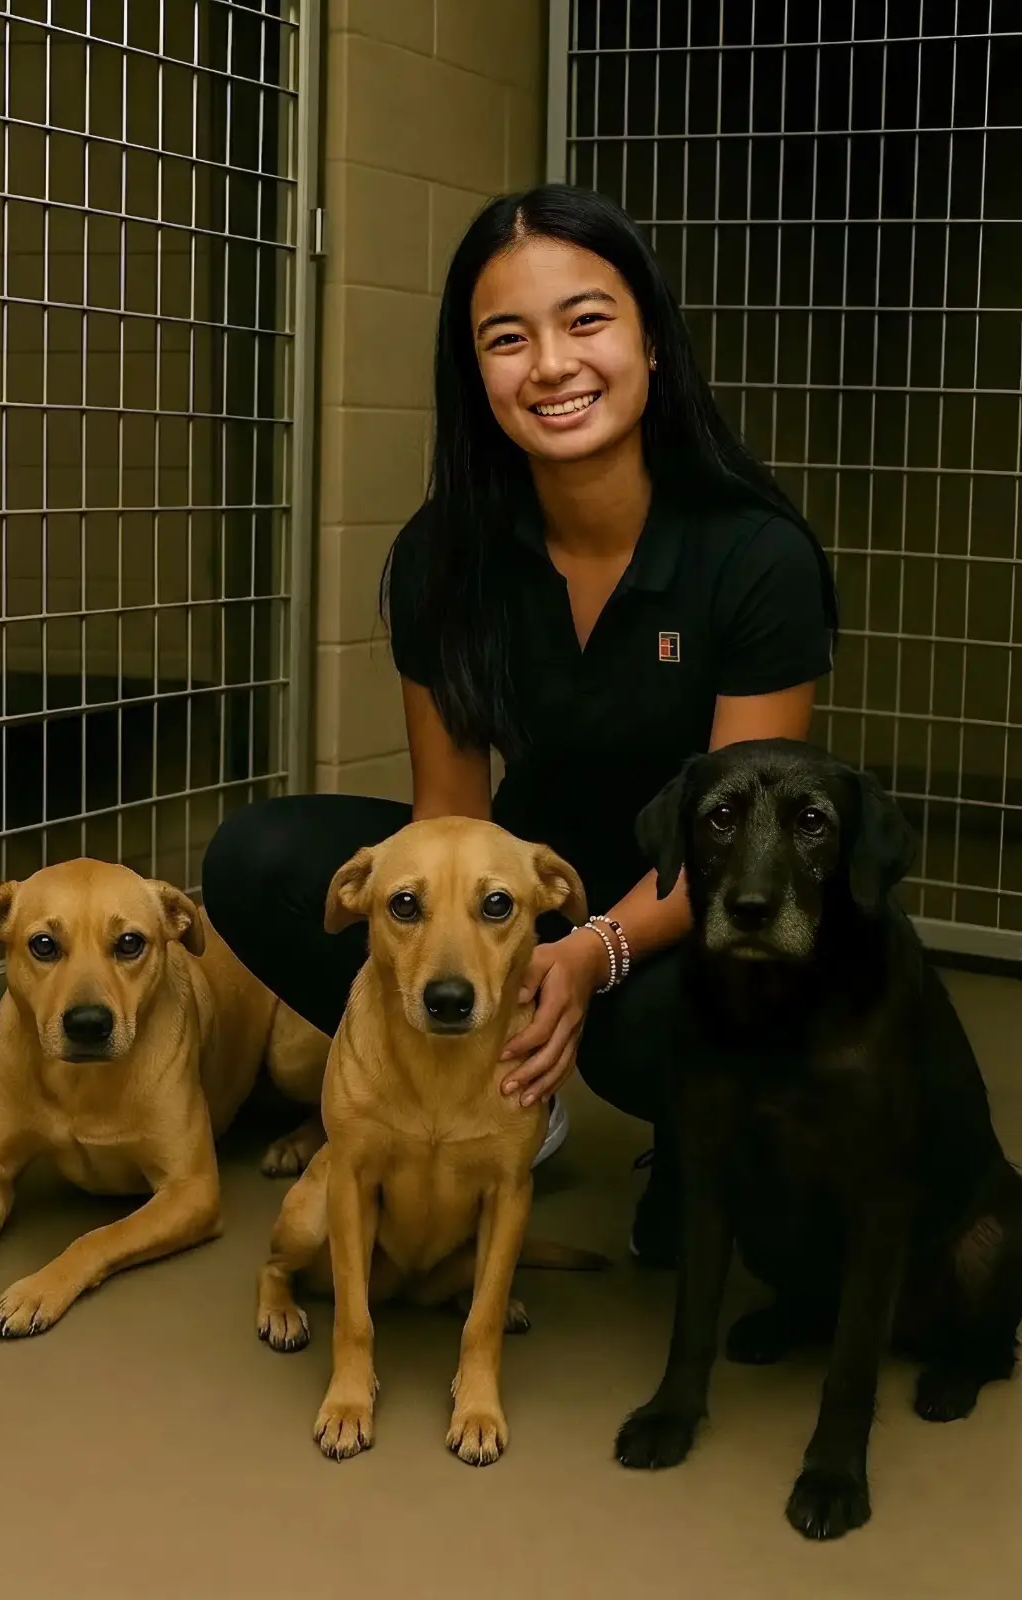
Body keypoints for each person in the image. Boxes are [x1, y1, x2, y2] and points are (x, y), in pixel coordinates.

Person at [201, 184, 837, 1266]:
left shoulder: (755, 555)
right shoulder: (444, 557)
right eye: (508, 338)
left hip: (702, 883)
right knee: (259, 858)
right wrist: (500, 942)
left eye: (586, 320)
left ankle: (692, 1149)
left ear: (651, 340)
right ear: (475, 373)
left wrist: (593, 952)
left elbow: (744, 837)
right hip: (523, 884)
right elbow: (449, 817)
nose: (550, 365)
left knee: (664, 1020)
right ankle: (489, 1093)